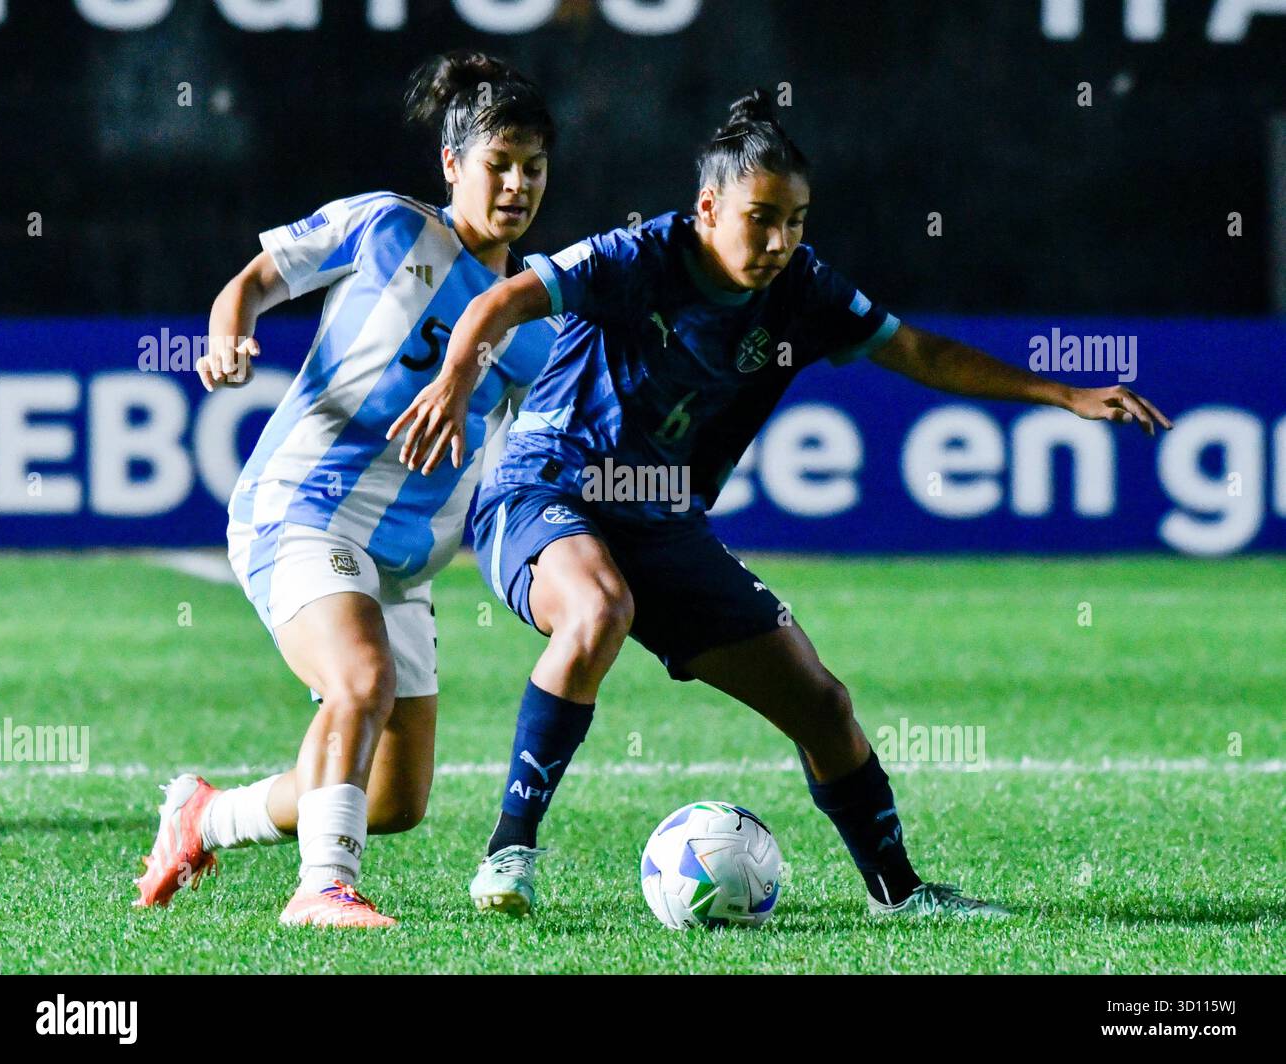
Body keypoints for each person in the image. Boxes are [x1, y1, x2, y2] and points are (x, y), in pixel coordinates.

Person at [388, 89, 1172, 920]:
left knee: (823, 705)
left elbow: (916, 351)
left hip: (660, 521)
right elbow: (498, 301)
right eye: (762, 219)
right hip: (543, 490)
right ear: (707, 208)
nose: (780, 241)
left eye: (796, 221)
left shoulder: (805, 289)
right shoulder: (637, 255)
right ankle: (509, 853)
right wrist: (455, 380)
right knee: (597, 607)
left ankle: (899, 893)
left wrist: (1061, 395)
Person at [133, 51, 559, 928]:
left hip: (401, 562)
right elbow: (255, 281)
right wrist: (228, 333)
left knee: (396, 798)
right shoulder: (387, 227)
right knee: (357, 683)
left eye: (533, 167)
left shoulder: (533, 317)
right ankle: (321, 889)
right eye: (498, 164)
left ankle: (205, 817)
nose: (516, 184)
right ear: (452, 166)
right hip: (303, 508)